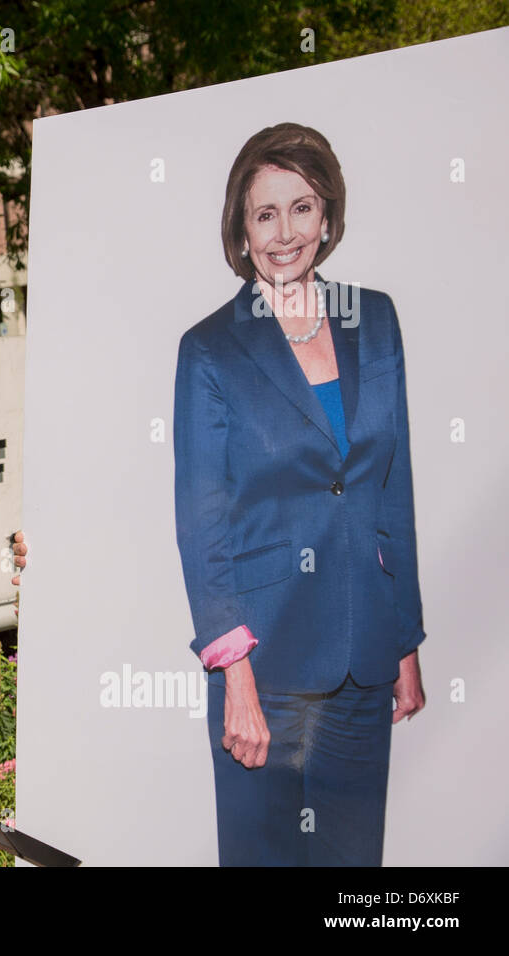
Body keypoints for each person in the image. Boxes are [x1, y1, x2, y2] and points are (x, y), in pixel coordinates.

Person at [172, 123, 425, 866]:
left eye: (302, 208)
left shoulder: (374, 319)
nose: (287, 233)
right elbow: (202, 523)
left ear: (328, 217)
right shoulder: (211, 348)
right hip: (266, 669)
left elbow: (392, 486)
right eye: (265, 214)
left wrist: (404, 638)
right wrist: (236, 682)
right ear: (242, 230)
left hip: (363, 655)